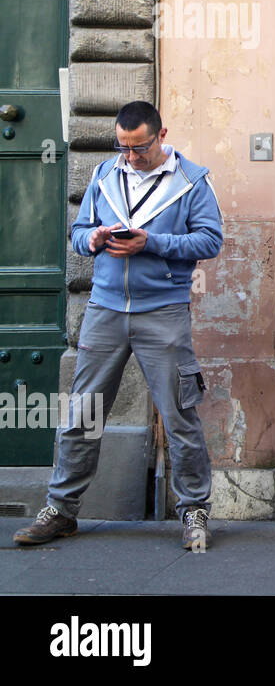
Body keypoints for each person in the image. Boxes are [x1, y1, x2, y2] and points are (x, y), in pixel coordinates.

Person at [14, 101, 223, 550]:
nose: (131, 156)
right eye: (124, 147)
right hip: (104, 309)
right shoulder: (105, 174)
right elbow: (77, 231)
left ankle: (194, 513)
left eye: (140, 148)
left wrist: (152, 243)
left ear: (161, 135)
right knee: (82, 415)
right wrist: (89, 239)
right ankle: (61, 511)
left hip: (163, 312)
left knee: (179, 415)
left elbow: (211, 239)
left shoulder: (192, 181)